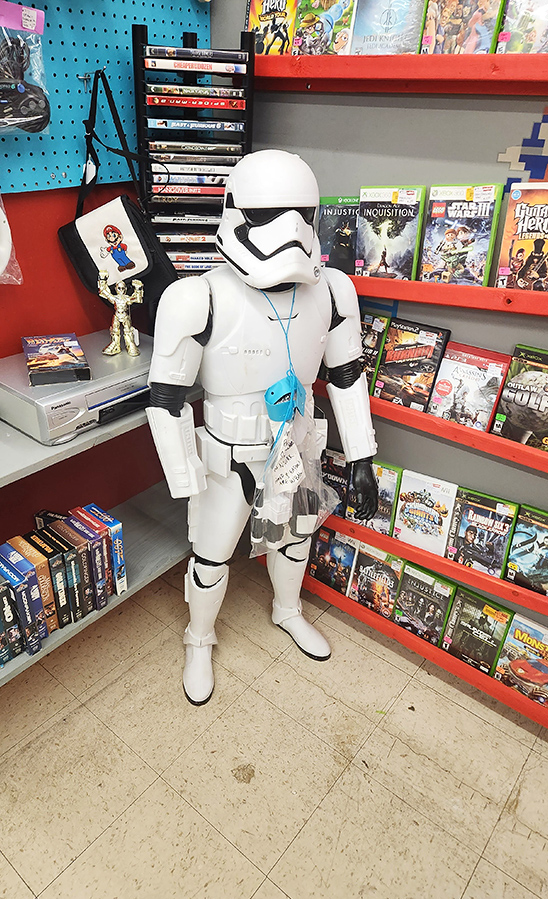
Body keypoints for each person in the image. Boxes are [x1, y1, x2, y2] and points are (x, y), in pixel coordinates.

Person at [146, 150, 378, 705]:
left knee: (296, 537)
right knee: (211, 556)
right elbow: (166, 398)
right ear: (237, 213)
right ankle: (198, 638)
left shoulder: (333, 290)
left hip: (296, 443)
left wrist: (362, 457)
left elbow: (346, 375)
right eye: (270, 214)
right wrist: (184, 474)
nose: (289, 230)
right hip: (228, 455)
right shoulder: (197, 296)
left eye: (302, 214)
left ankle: (287, 610)